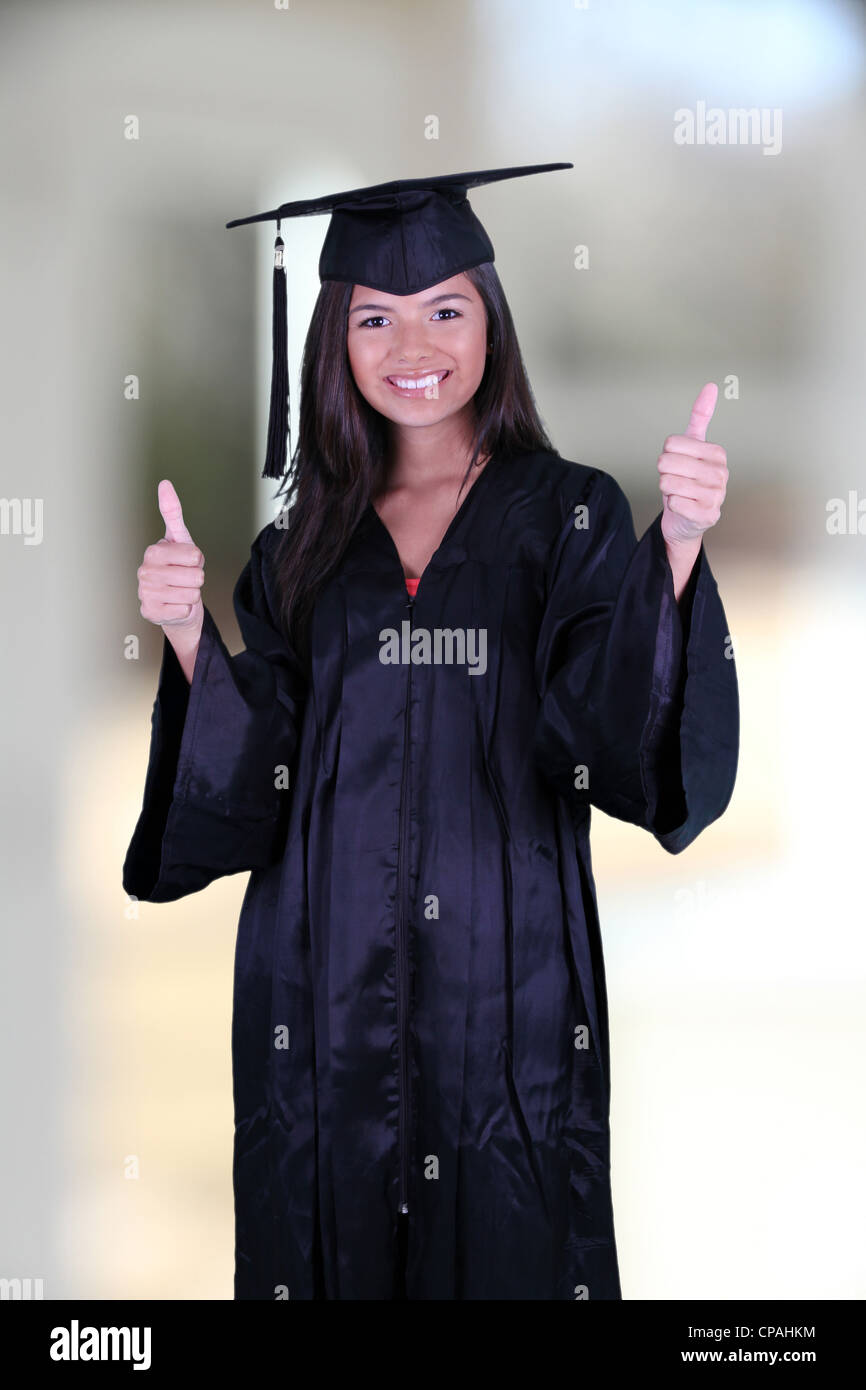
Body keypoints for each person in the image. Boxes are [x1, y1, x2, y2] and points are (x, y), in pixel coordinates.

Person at [123, 166, 739, 1300]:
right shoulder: (300, 547)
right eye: (374, 316)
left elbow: (604, 735)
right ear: (333, 340)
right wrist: (189, 635)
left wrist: (680, 547)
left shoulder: (569, 514)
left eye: (444, 308)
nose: (413, 342)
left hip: (503, 994)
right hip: (320, 996)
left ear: (490, 324)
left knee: (506, 1231)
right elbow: (254, 782)